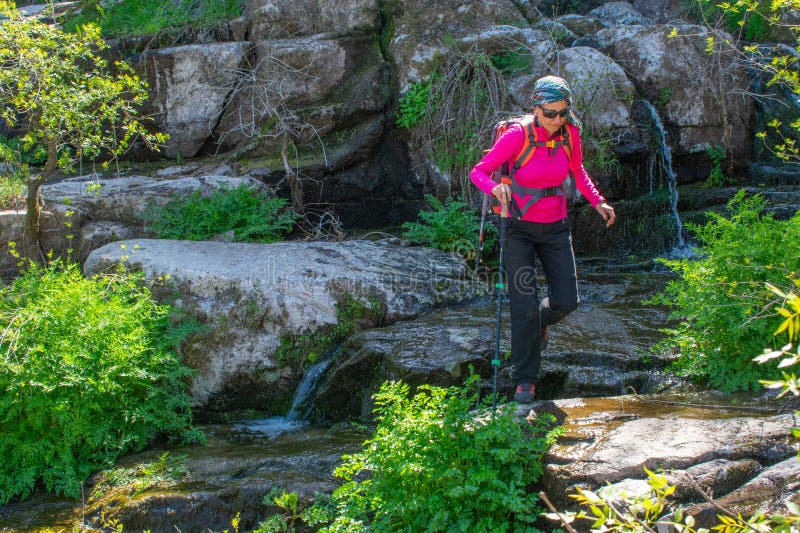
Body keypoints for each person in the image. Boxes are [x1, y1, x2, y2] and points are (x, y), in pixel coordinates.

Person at [470, 75, 616, 403]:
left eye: (563, 113)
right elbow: (478, 171)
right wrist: (494, 187)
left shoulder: (570, 133)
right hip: (516, 228)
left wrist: (598, 201)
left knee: (567, 301)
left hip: (555, 227)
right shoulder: (516, 136)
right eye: (551, 113)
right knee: (522, 307)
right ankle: (525, 380)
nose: (557, 120)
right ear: (536, 109)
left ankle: (539, 322)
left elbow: (578, 171)